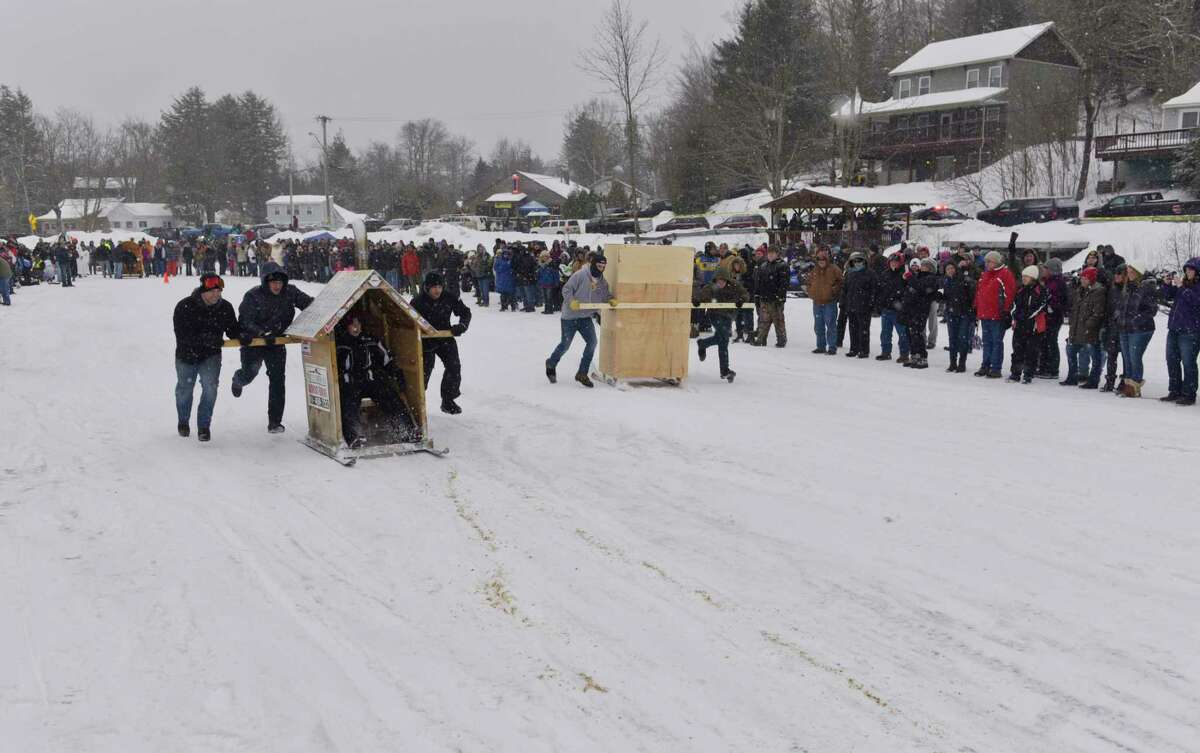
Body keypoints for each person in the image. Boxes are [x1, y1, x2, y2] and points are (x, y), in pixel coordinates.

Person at [231, 262, 314, 432]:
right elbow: (245, 320)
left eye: (280, 282)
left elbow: (310, 304)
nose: (277, 286)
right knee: (250, 372)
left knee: (277, 380)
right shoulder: (253, 296)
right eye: (273, 282)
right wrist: (260, 332)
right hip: (255, 343)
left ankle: (275, 422)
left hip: (276, 343)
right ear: (265, 282)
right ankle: (238, 380)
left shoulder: (290, 292)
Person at [334, 313, 419, 447]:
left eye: (358, 324)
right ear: (347, 327)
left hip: (370, 380)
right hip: (349, 382)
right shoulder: (340, 343)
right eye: (352, 325)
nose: (356, 327)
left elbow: (386, 359)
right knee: (348, 403)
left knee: (390, 396)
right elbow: (332, 365)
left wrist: (396, 373)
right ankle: (354, 436)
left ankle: (406, 430)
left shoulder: (370, 340)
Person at [173, 274, 240, 442]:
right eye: (212, 291)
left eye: (219, 291)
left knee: (210, 389)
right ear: (202, 291)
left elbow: (232, 330)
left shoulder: (225, 307)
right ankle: (183, 421)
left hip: (211, 356)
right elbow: (182, 335)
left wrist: (243, 335)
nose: (216, 295)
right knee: (184, 390)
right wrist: (207, 339)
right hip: (187, 356)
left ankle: (204, 426)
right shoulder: (185, 306)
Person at [546, 253, 612, 388]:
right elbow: (566, 289)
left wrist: (610, 299)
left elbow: (605, 295)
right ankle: (551, 363)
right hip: (570, 317)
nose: (601, 269)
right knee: (565, 344)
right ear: (593, 264)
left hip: (585, 318)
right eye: (599, 265)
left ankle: (582, 373)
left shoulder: (602, 281)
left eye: (603, 266)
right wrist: (571, 302)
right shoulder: (580, 275)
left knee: (592, 343)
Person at [410, 271, 471, 414]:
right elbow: (407, 321)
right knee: (424, 371)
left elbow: (465, 312)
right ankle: (416, 404)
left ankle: (448, 400)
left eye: (440, 286)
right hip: (425, 341)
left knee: (454, 367)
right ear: (427, 287)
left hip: (445, 336)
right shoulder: (417, 302)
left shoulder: (449, 297)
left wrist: (462, 325)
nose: (438, 290)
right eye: (434, 287)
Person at [694, 267, 748, 382]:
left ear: (727, 280)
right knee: (723, 337)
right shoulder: (711, 287)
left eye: (723, 281)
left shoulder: (734, 285)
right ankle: (724, 371)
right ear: (715, 280)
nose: (720, 283)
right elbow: (701, 296)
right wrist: (697, 300)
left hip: (728, 316)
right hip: (715, 315)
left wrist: (741, 300)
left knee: (722, 339)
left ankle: (703, 344)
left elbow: (745, 294)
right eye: (718, 281)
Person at [1159, 257, 1200, 405]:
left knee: (1189, 363)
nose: (1188, 272)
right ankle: (1174, 390)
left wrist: (1184, 287)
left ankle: (1189, 394)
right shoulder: (1185, 285)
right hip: (1174, 328)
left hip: (1191, 331)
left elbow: (1196, 302)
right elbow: (1168, 296)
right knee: (1172, 360)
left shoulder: (1193, 287)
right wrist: (1167, 285)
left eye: (1191, 269)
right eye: (1186, 269)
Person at [1114, 263, 1158, 397]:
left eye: (1133, 270)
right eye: (1129, 270)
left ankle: (1135, 386)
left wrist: (1136, 320)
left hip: (1140, 329)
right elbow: (1121, 305)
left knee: (1134, 357)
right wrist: (1118, 316)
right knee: (1126, 358)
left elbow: (1152, 309)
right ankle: (1128, 384)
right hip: (1124, 328)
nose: (1130, 273)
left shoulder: (1146, 287)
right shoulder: (1127, 286)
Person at [973, 250, 1016, 378]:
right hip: (985, 314)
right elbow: (980, 292)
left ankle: (995, 367)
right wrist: (976, 307)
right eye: (986, 261)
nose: (986, 263)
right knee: (987, 342)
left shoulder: (1005, 274)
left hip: (997, 314)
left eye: (989, 261)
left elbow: (1010, 293)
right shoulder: (985, 274)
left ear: (996, 262)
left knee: (996, 341)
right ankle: (986, 365)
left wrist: (1005, 310)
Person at [1063, 267, 1107, 388]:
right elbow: (1075, 310)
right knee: (1070, 351)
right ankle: (1072, 376)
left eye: (1085, 278)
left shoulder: (1098, 292)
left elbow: (1098, 312)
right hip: (1076, 329)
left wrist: (1088, 325)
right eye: (1082, 277)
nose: (1082, 280)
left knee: (1095, 356)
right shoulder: (1079, 291)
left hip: (1090, 331)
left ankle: (1093, 380)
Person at [1009, 265, 1048, 384]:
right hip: (1020, 325)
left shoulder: (1040, 290)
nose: (1024, 278)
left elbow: (1040, 306)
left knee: (1031, 351)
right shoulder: (1020, 290)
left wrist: (1026, 316)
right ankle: (1015, 373)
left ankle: (1028, 374)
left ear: (1033, 277)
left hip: (1033, 327)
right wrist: (1015, 314)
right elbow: (1014, 305)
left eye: (1027, 276)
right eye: (1023, 276)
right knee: (1017, 350)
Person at [900, 258, 940, 369]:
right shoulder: (918, 276)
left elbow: (920, 287)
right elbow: (910, 286)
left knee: (917, 333)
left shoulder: (931, 278)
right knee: (911, 333)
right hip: (911, 308)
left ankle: (923, 357)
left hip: (921, 309)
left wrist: (910, 278)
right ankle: (914, 355)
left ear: (931, 268)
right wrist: (905, 279)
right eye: (923, 265)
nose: (922, 267)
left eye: (926, 265)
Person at [751, 245, 790, 348]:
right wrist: (757, 294)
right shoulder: (763, 266)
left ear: (777, 254)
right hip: (764, 298)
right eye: (769, 253)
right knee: (763, 320)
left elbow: (784, 283)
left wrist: (780, 297)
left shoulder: (782, 266)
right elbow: (759, 282)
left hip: (776, 299)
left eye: (773, 253)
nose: (771, 255)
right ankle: (761, 339)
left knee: (778, 320)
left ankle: (781, 339)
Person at [942, 258, 976, 373]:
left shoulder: (963, 279)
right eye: (948, 269)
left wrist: (972, 312)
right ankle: (952, 363)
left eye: (952, 268)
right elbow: (945, 297)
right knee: (952, 339)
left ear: (955, 269)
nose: (950, 270)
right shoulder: (945, 281)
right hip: (951, 313)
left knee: (963, 339)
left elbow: (972, 295)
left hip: (964, 313)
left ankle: (962, 363)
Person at [806, 247, 842, 354]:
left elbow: (841, 282)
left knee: (831, 325)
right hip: (817, 302)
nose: (821, 262)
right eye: (819, 260)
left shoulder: (834, 269)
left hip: (829, 302)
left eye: (823, 260)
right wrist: (810, 291)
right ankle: (820, 346)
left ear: (827, 259)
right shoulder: (814, 270)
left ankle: (832, 347)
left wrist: (833, 290)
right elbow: (808, 282)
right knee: (818, 326)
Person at [875, 252, 909, 363]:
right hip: (886, 309)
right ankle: (886, 352)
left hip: (899, 310)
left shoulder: (904, 274)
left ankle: (904, 354)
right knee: (885, 333)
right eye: (892, 262)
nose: (894, 264)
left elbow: (907, 290)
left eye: (896, 262)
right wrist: (879, 304)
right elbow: (880, 291)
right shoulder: (884, 274)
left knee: (902, 333)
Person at [1038, 258, 1069, 379]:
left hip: (1054, 317)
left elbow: (1062, 301)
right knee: (1045, 342)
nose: (1043, 270)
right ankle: (1044, 367)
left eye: (1046, 268)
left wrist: (1052, 306)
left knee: (1051, 342)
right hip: (1047, 316)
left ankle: (1052, 369)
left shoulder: (1058, 282)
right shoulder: (1048, 281)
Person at [841, 251, 876, 358]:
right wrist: (843, 302)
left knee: (864, 329)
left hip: (864, 306)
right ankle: (854, 349)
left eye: (860, 260)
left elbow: (874, 290)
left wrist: (871, 304)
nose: (857, 263)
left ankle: (864, 350)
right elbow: (845, 289)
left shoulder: (870, 273)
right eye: (855, 261)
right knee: (853, 329)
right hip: (851, 305)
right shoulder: (849, 273)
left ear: (864, 261)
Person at [1099, 266, 1125, 392]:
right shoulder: (1113, 290)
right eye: (1116, 273)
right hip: (1112, 327)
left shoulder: (1128, 290)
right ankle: (1110, 381)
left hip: (1124, 328)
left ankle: (1124, 381)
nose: (1117, 276)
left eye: (1120, 274)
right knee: (1111, 355)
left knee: (1126, 357)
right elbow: (1107, 309)